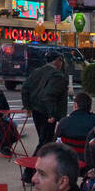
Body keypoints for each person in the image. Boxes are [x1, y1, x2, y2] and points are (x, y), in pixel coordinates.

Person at [21, 53, 68, 182]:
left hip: (37, 110)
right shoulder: (57, 75)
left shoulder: (37, 72)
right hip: (47, 113)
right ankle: (29, 171)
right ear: (58, 61)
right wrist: (52, 113)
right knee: (45, 142)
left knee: (45, 140)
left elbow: (25, 88)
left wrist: (28, 106)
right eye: (61, 61)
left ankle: (34, 170)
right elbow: (49, 95)